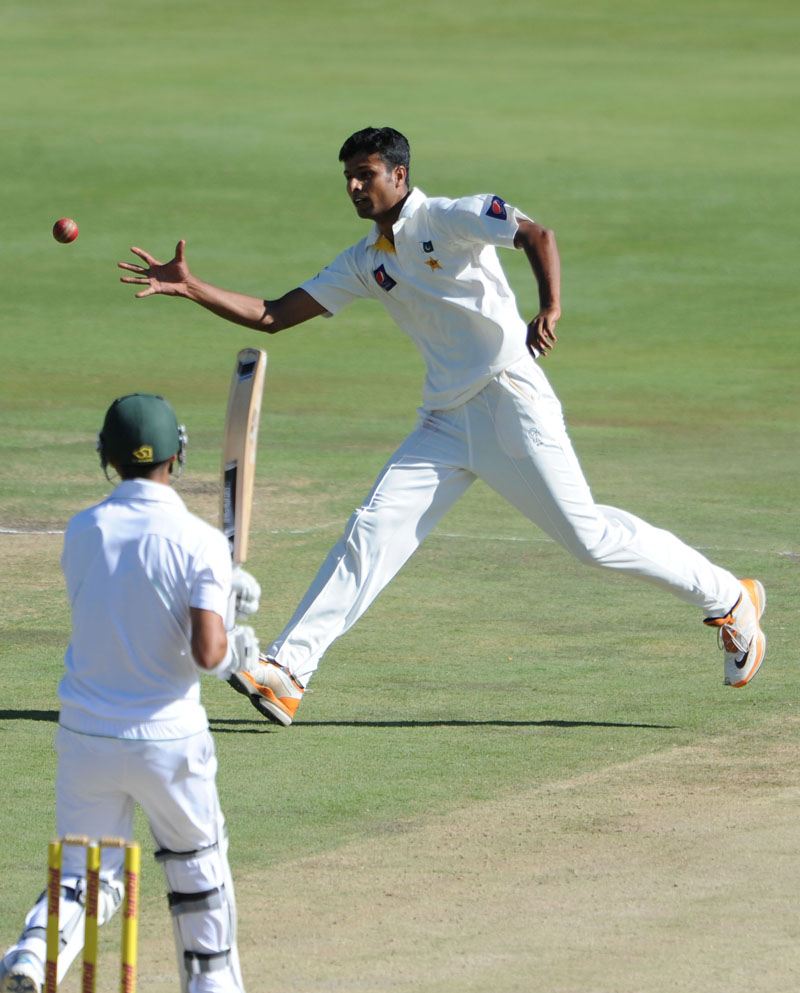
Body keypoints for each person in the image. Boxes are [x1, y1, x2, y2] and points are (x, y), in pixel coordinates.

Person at [118, 126, 766, 728]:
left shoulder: (450, 216)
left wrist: (550, 306)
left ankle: (728, 598)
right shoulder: (362, 260)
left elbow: (538, 235)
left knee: (589, 539)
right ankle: (288, 669)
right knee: (372, 529)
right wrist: (193, 286)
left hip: (511, 398)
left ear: (399, 175)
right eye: (346, 176)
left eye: (364, 173)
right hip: (445, 419)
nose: (352, 186)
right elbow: (273, 314)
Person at [0, 393, 265, 993]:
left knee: (85, 872)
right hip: (169, 739)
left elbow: (129, 599)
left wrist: (219, 586)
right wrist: (234, 633)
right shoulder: (200, 541)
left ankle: (34, 950)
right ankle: (213, 986)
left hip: (87, 736)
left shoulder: (82, 529)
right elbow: (207, 653)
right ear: (179, 455)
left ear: (106, 457)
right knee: (198, 870)